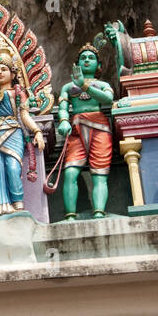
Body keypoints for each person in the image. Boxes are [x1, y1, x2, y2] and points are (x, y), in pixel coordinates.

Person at [0, 51, 46, 216]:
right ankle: (2, 206)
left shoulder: (18, 93)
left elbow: (24, 115)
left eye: (4, 69)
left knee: (13, 168)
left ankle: (18, 204)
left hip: (14, 132)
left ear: (13, 74)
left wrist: (37, 131)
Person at [54, 44, 115, 219]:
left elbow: (108, 99)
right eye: (83, 58)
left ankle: (99, 213)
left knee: (100, 174)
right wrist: (64, 121)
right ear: (77, 64)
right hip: (75, 129)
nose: (87, 60)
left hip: (100, 128)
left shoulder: (102, 84)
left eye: (91, 58)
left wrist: (85, 86)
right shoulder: (67, 87)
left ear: (99, 65)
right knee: (70, 172)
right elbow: (63, 107)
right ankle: (70, 215)